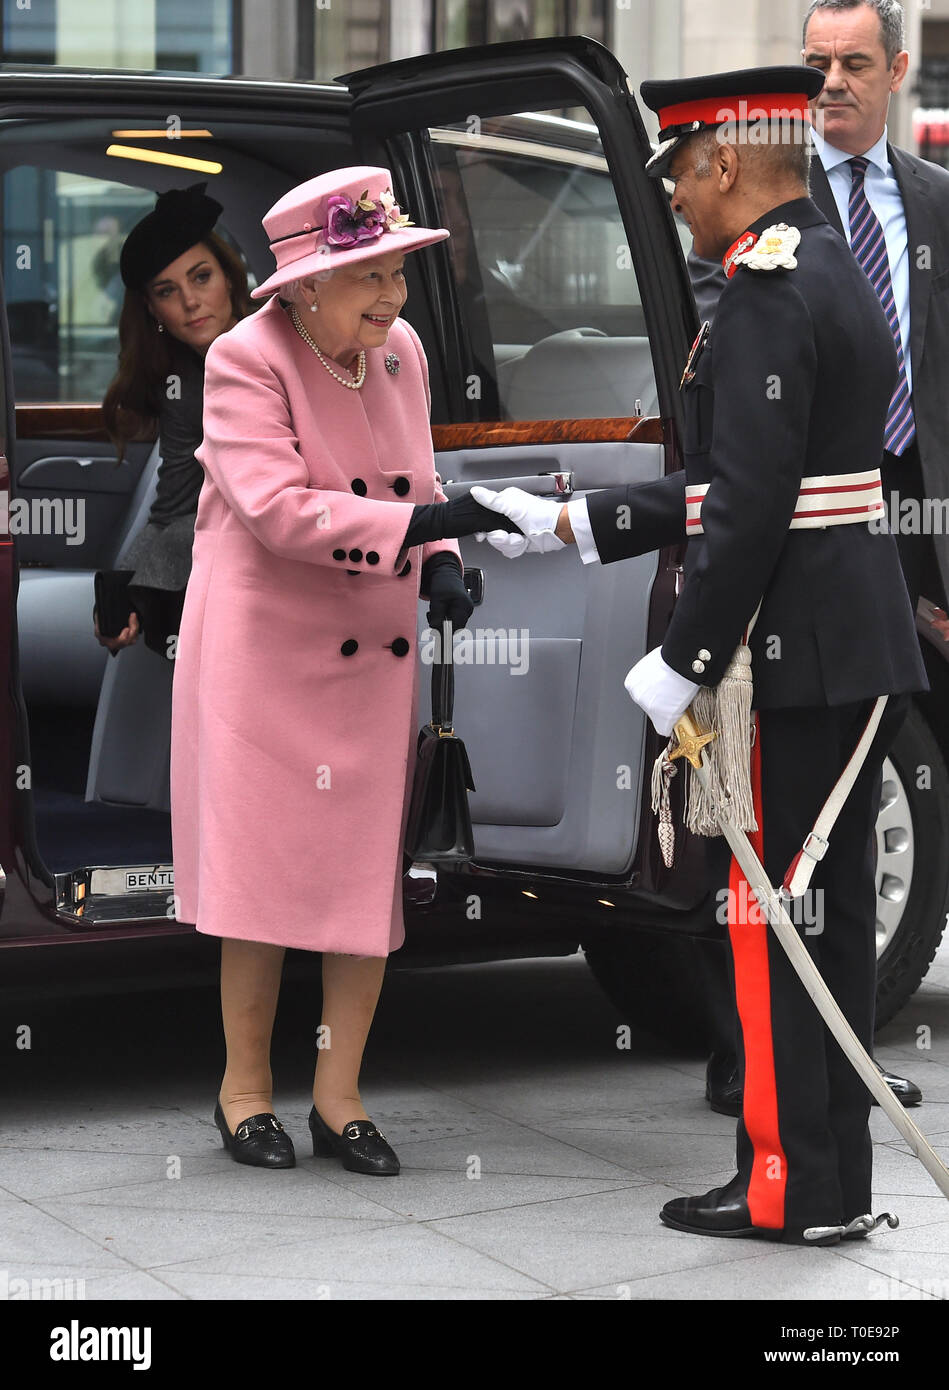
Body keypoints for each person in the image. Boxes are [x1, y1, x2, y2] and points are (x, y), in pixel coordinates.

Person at [473, 67, 928, 1243]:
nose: (672, 197)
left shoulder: (767, 291)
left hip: (791, 642)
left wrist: (679, 658)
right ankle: (831, 1185)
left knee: (770, 916)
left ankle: (785, 1185)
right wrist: (582, 520)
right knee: (816, 918)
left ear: (724, 159)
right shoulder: (826, 266)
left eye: (676, 173)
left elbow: (751, 508)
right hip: (848, 629)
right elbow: (764, 490)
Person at [169, 167, 515, 1171]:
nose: (392, 299)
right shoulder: (245, 358)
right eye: (370, 277)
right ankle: (243, 1095)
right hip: (265, 656)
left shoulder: (395, 350)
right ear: (306, 284)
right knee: (266, 878)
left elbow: (423, 475)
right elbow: (276, 509)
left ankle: (340, 1095)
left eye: (399, 272)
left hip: (369, 647)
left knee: (361, 881)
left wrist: (442, 561)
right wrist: (420, 530)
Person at [687, 0, 948, 1119]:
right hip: (789, 526)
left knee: (885, 802)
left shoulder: (936, 205)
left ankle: (834, 1056)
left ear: (896, 70)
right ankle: (756, 1060)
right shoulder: (757, 222)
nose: (830, 81)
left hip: (914, 522)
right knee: (767, 807)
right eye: (813, 63)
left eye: (852, 63)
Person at [96, 183, 252, 657]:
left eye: (201, 277)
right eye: (168, 290)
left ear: (228, 276)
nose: (190, 302)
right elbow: (173, 506)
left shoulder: (284, 342)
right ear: (153, 309)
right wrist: (121, 593)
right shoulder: (181, 384)